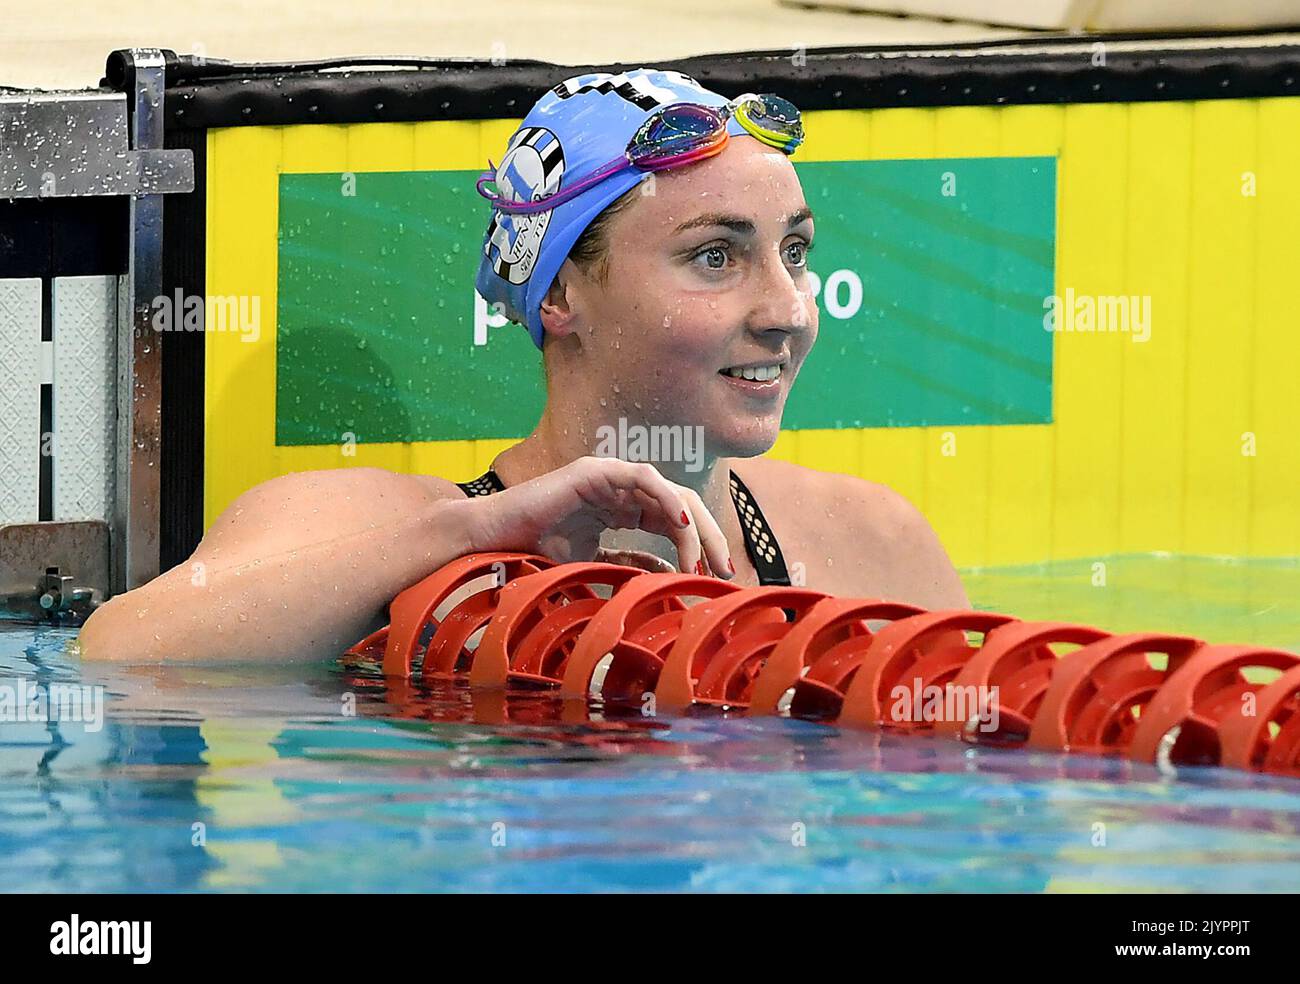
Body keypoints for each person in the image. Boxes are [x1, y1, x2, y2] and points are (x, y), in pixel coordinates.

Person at [79, 68, 966, 663]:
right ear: (559, 296)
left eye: (796, 252)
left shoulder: (869, 542)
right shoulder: (385, 524)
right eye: (715, 258)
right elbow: (119, 651)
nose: (788, 312)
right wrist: (467, 538)